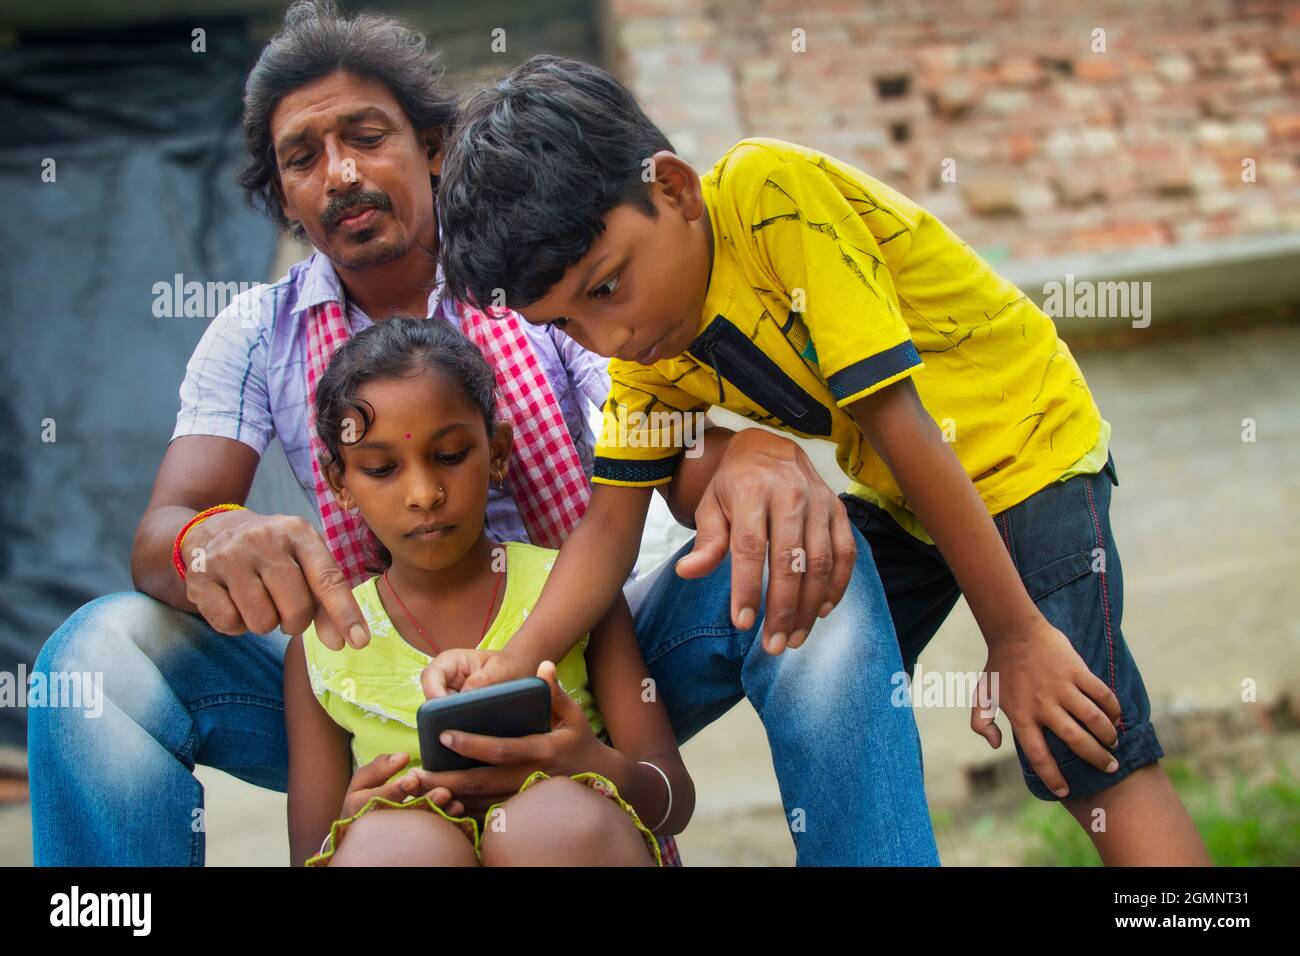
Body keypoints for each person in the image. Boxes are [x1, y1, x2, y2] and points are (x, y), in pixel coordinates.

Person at [29, 1, 938, 867]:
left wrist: (748, 457)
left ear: (431, 147)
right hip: (368, 691)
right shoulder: (251, 335)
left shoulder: (538, 276)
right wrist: (207, 535)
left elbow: (662, 450)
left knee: (802, 546)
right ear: (282, 197)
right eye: (302, 157)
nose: (340, 172)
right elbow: (162, 538)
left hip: (602, 652)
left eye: (366, 136)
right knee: (96, 658)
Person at [434, 55, 1211, 865]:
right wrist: (512, 666)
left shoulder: (770, 199)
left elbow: (900, 420)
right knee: (818, 645)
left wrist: (1013, 636)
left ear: (673, 189)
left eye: (604, 289)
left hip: (1028, 450)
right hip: (913, 500)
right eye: (565, 327)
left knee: (1083, 746)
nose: (609, 340)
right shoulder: (646, 359)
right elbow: (607, 533)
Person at [286, 317, 690, 866]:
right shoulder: (326, 645)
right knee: (394, 847)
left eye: (451, 455)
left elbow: (671, 800)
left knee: (551, 827)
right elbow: (307, 852)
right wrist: (349, 828)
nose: (425, 494)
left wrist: (590, 763)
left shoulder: (570, 593)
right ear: (340, 484)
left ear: (497, 451)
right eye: (382, 468)